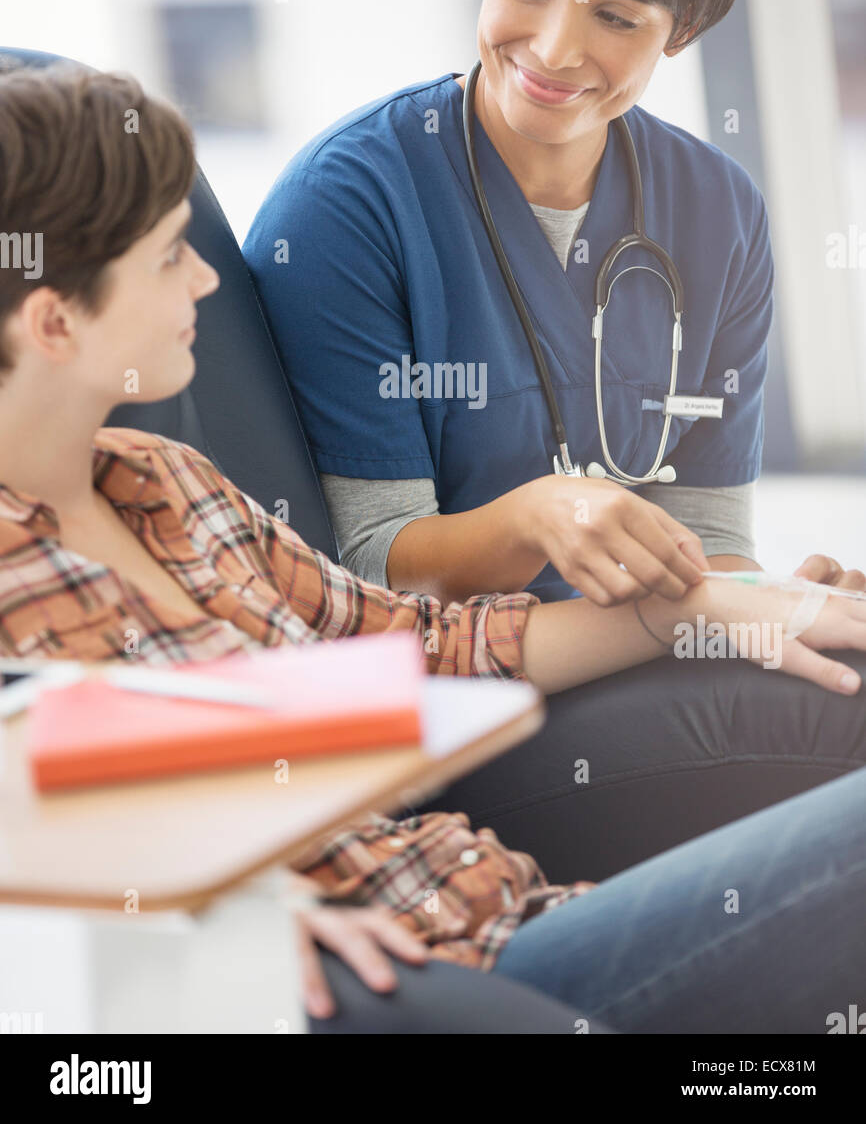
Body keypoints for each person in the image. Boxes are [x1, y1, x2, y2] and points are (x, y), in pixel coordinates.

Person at [2, 61, 866, 1033]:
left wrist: (696, 607)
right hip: (429, 982)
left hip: (500, 909)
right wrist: (210, 918)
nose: (206, 272)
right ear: (54, 321)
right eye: (167, 256)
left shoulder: (163, 477)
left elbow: (413, 648)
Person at [243, 0, 863, 611]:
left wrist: (774, 599)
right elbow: (373, 563)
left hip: (634, 651)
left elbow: (706, 545)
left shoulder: (719, 211)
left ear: (679, 30)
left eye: (615, 16)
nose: (554, 51)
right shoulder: (345, 207)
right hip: (453, 680)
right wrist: (541, 518)